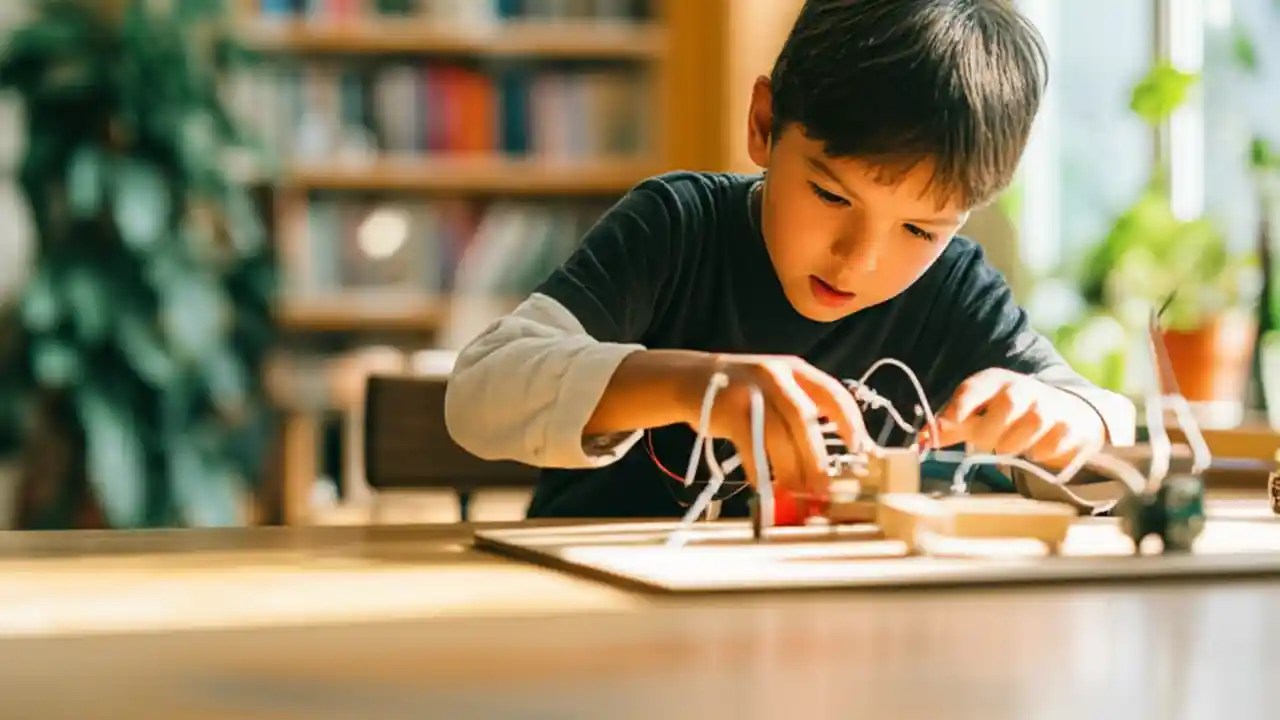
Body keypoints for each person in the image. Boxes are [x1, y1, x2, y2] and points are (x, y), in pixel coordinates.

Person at [444, 0, 1135, 519]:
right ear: (764, 124)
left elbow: (1112, 428)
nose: (860, 260)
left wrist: (1075, 419)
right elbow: (478, 393)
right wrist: (693, 386)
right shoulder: (679, 229)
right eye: (832, 196)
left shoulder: (953, 288)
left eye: (920, 231)